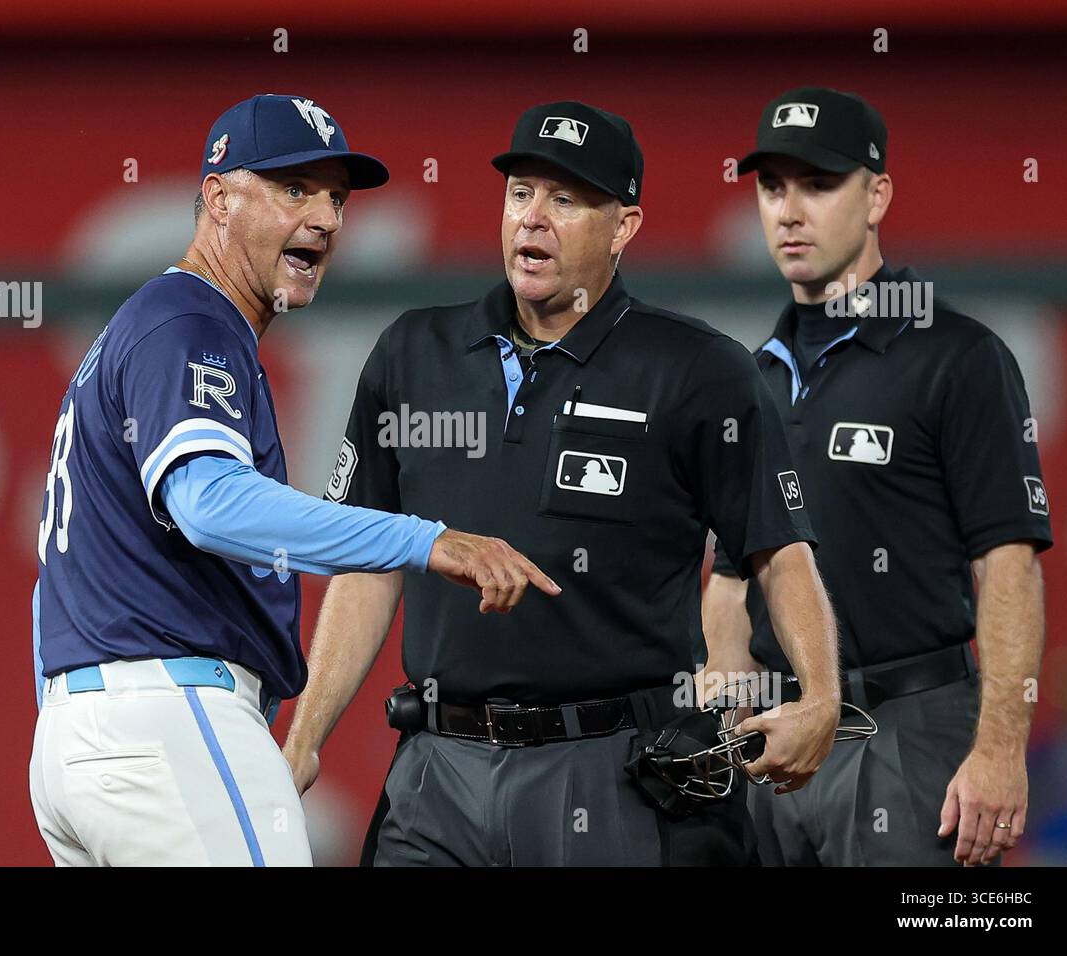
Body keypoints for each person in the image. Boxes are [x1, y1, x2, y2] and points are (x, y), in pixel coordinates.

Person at [283, 101, 842, 866]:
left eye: (566, 200)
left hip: (607, 769)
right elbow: (369, 564)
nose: (533, 219)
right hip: (438, 769)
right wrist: (305, 738)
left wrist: (819, 696)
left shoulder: (696, 370)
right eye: (520, 194)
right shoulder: (414, 352)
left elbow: (778, 549)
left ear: (624, 226)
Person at [28, 94, 558, 867]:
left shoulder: (147, 326)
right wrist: (425, 540)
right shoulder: (190, 321)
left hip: (81, 736)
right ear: (217, 197)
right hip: (171, 721)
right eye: (292, 189)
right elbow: (208, 504)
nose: (326, 218)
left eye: (336, 197)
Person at [702, 86, 1052, 866]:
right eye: (771, 186)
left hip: (911, 730)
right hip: (783, 739)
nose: (789, 211)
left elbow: (1009, 565)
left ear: (877, 196)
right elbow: (730, 580)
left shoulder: (957, 356)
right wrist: (730, 717)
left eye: (818, 185)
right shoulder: (751, 377)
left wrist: (998, 750)